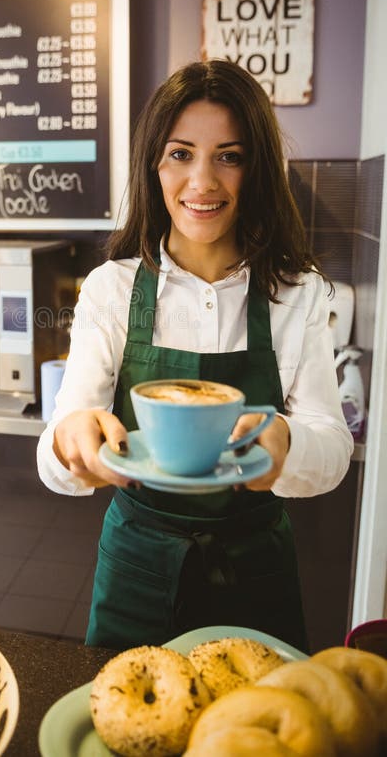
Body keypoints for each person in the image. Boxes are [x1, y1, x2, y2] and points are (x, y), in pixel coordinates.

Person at [36, 59, 353, 653]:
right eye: (181, 154)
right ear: (154, 164)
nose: (202, 181)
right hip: (136, 568)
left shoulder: (296, 291)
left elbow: (332, 449)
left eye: (228, 156)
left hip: (256, 573)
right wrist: (69, 442)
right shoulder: (111, 288)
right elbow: (56, 451)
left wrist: (286, 441)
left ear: (255, 168)